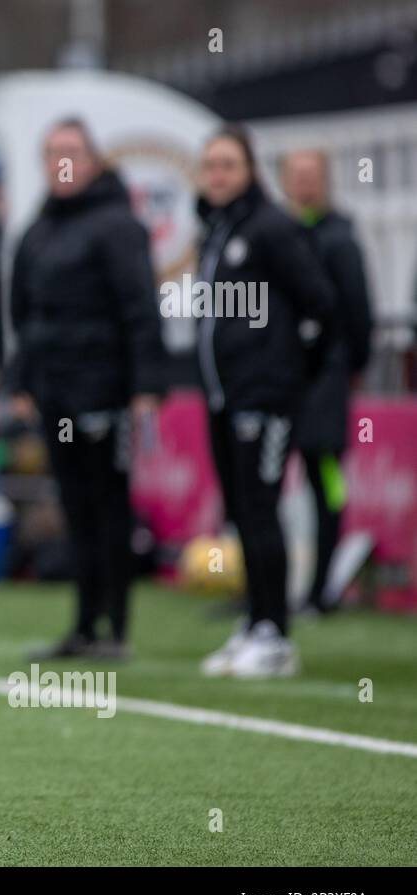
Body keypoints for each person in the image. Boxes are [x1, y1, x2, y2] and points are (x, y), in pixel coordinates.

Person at [6, 117, 167, 660]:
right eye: (52, 153)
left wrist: (145, 387)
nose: (62, 162)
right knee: (74, 509)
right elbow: (23, 314)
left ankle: (116, 629)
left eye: (72, 152)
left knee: (109, 508)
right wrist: (23, 381)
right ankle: (82, 626)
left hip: (106, 392)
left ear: (94, 160)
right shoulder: (40, 228)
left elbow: (141, 310)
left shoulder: (117, 225)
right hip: (57, 395)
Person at [193, 126, 337, 679]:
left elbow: (322, 305)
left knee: (262, 510)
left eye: (228, 164)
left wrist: (290, 374)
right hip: (223, 399)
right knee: (240, 514)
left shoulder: (272, 228)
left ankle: (276, 632)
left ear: (250, 170)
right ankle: (255, 621)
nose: (218, 175)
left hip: (265, 400)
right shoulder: (214, 230)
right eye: (210, 165)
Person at [280, 149, 373, 614]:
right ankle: (271, 588)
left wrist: (350, 365)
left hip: (326, 382)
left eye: (311, 175)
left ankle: (322, 591)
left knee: (327, 483)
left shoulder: (339, 238)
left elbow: (359, 311)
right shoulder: (281, 236)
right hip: (287, 380)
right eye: (296, 175)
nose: (304, 184)